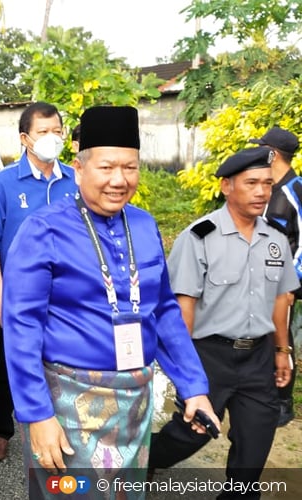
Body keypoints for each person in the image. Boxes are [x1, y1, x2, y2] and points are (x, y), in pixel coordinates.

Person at [3, 106, 218, 497]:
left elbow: (165, 310)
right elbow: (21, 328)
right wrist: (37, 416)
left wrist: (193, 386)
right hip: (67, 406)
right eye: (106, 168)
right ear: (79, 168)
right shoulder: (43, 229)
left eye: (130, 167)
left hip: (134, 406)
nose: (119, 180)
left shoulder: (144, 224)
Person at [149, 146, 297, 497]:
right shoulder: (199, 237)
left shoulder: (275, 240)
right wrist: (182, 370)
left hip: (258, 358)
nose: (262, 192)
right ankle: (145, 457)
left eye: (267, 184)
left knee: (254, 445)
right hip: (209, 357)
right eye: (251, 183)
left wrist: (282, 350)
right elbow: (182, 310)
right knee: (190, 435)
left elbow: (281, 299)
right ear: (226, 186)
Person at [0, 101, 77, 462]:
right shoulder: (3, 183)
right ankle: (2, 429)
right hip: (16, 297)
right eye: (43, 132)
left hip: (65, 299)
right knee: (4, 367)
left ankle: (61, 427)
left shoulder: (76, 182)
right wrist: (0, 298)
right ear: (25, 139)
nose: (52, 138)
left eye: (57, 131)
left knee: (61, 366)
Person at [251, 126, 301, 427]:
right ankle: (262, 389)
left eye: (261, 149)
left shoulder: (295, 191)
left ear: (272, 153)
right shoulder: (267, 188)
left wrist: (291, 282)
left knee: (282, 335)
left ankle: (284, 401)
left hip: (285, 283)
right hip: (259, 277)